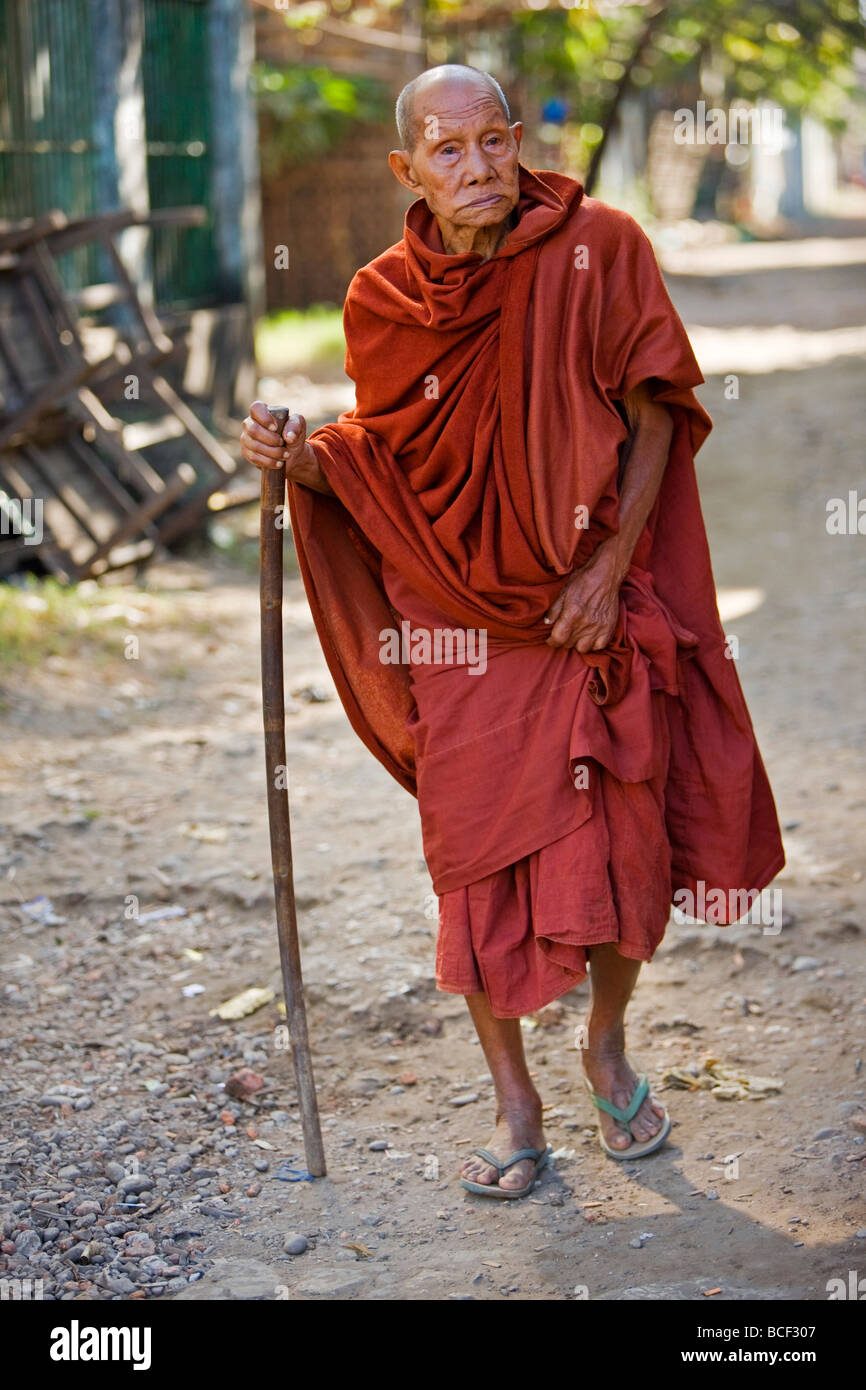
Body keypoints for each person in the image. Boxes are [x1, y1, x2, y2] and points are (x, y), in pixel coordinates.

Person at [241, 64, 785, 1198]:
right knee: (472, 855)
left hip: (585, 605)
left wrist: (606, 571)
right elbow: (382, 452)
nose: (481, 167)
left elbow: (654, 415)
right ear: (407, 170)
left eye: (495, 140)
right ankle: (513, 1097)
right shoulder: (381, 298)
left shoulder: (601, 247)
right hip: (457, 619)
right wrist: (303, 457)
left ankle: (602, 1044)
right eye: (449, 150)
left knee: (624, 843)